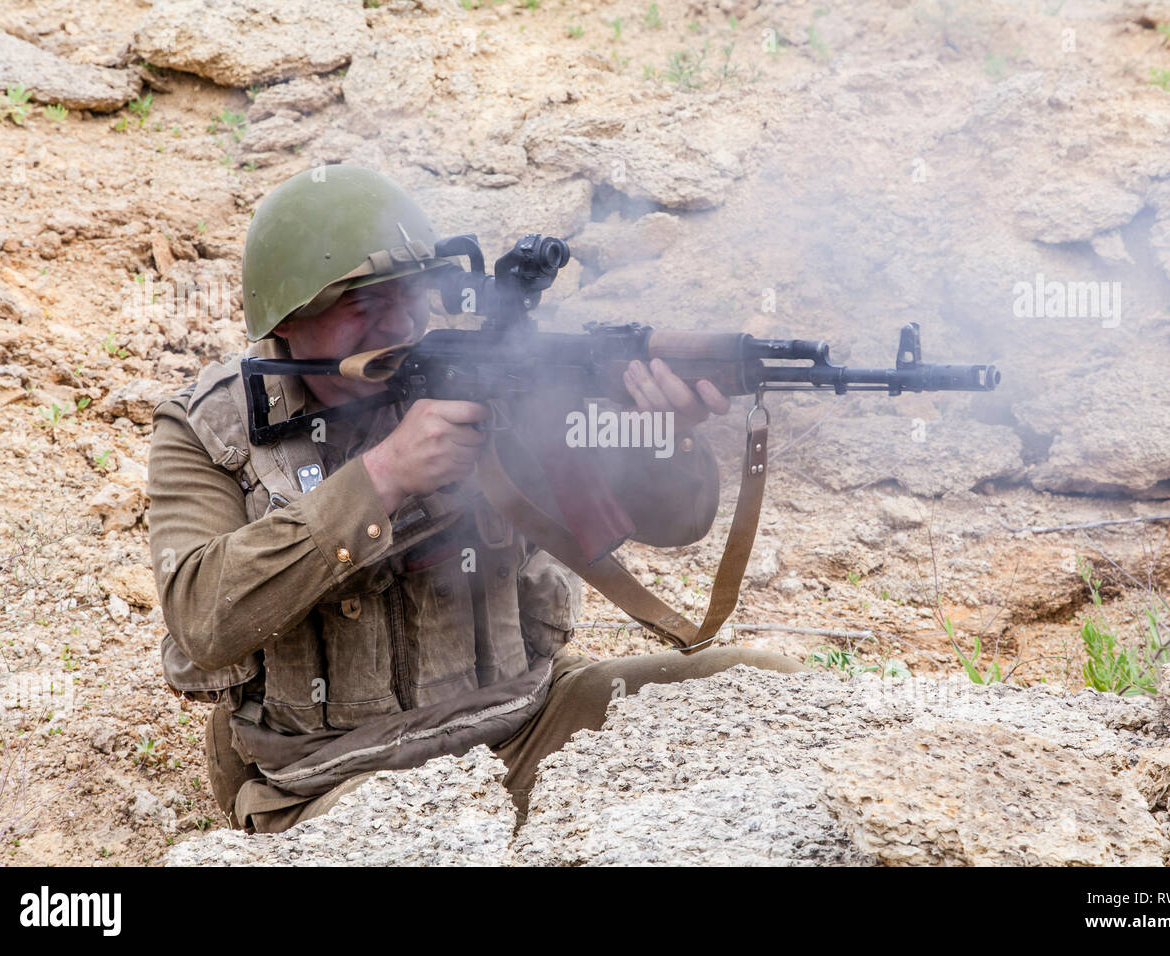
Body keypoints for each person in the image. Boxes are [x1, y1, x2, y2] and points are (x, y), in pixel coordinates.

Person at [147, 164, 805, 834]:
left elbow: (679, 520)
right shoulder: (210, 429)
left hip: (523, 722)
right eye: (358, 303)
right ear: (286, 316)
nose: (394, 321)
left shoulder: (486, 375)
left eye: (408, 294)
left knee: (768, 689)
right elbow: (203, 620)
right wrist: (382, 478)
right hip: (330, 775)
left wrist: (660, 435)